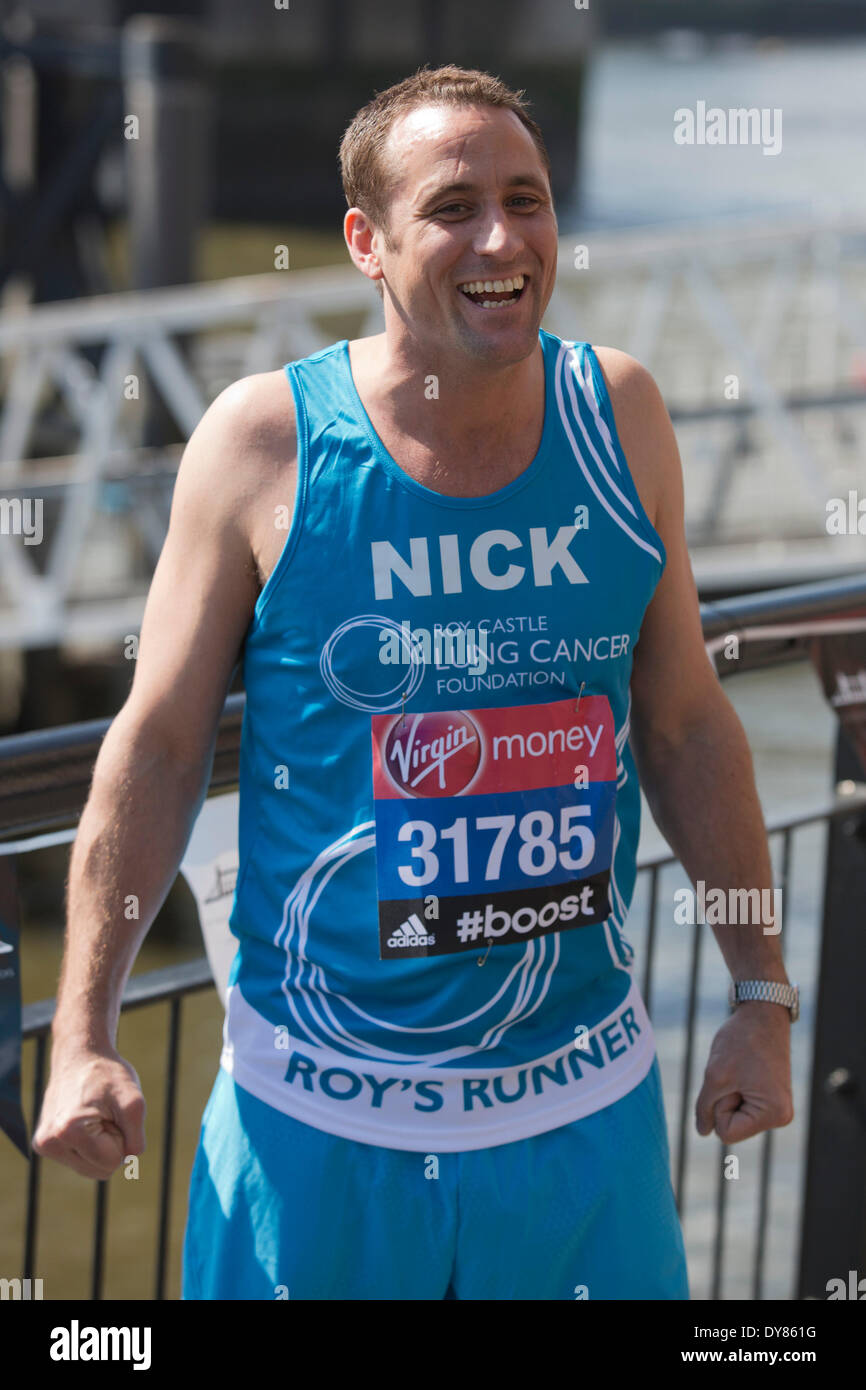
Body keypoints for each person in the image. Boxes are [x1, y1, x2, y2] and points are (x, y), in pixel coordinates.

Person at [33, 65, 796, 1301]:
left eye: (527, 199)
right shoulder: (263, 442)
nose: (500, 239)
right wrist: (79, 1039)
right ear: (366, 244)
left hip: (579, 1119)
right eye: (451, 207)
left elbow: (684, 722)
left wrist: (759, 992)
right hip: (314, 1132)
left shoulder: (619, 411)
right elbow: (160, 747)